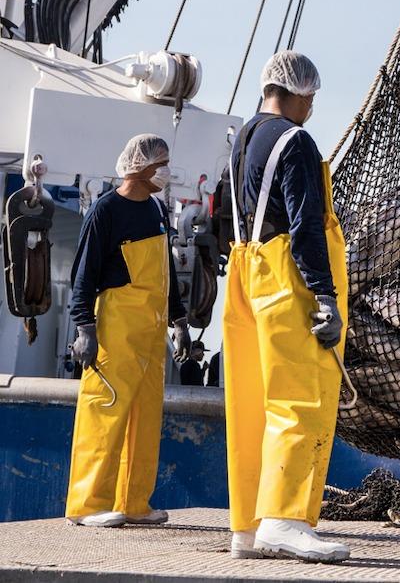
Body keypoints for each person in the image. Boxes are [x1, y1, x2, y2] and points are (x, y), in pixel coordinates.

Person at [223, 51, 349, 562]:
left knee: (253, 402)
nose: (312, 108)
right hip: (284, 277)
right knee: (300, 399)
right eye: (311, 98)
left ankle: (248, 528)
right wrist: (325, 295)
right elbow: (305, 226)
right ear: (296, 93)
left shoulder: (243, 140)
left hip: (244, 272)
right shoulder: (295, 141)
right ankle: (286, 519)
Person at [65, 134, 192, 528]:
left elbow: (166, 271)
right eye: (161, 164)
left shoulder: (155, 209)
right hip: (116, 323)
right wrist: (85, 327)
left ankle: (134, 502)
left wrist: (180, 321)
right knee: (105, 410)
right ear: (139, 167)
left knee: (144, 416)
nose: (166, 172)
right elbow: (83, 275)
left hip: (151, 329)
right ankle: (87, 505)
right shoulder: (106, 210)